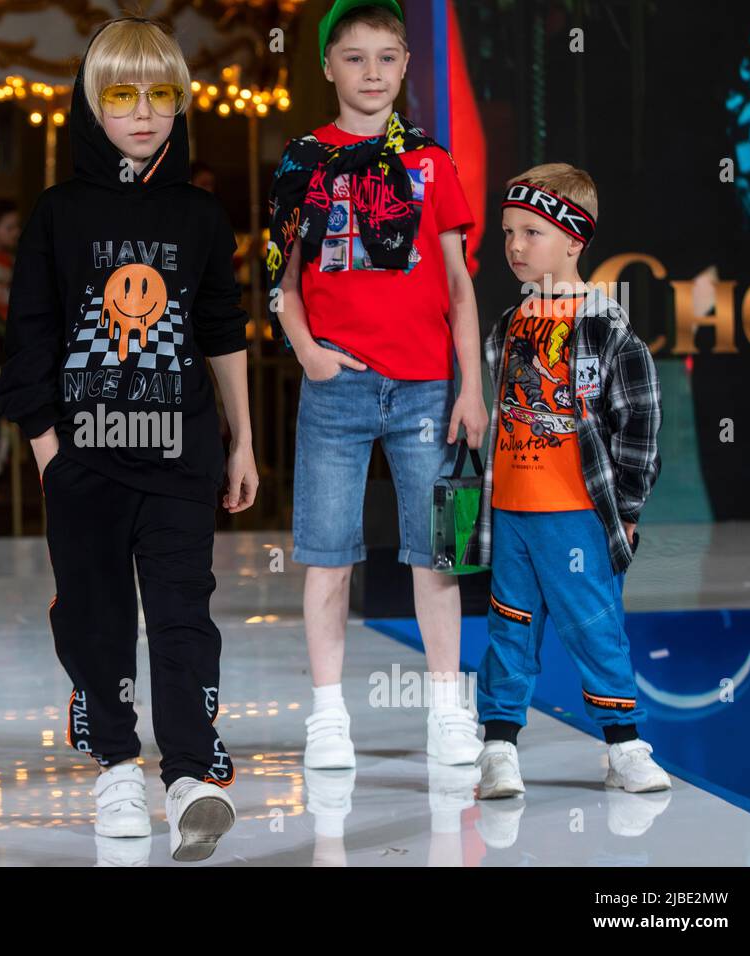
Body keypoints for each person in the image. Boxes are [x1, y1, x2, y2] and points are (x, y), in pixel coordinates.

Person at [0, 16, 257, 862]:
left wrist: (243, 441)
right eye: (121, 95)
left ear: (178, 105)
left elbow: (222, 329)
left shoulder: (200, 215)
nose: (142, 114)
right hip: (85, 463)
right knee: (98, 618)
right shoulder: (57, 214)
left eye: (159, 96)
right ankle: (115, 764)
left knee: (184, 618)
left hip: (182, 455)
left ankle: (187, 777)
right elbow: (29, 339)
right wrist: (50, 456)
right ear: (92, 104)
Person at [266, 0, 487, 770]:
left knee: (440, 555)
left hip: (427, 389)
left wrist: (472, 388)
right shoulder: (302, 161)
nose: (370, 73)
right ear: (328, 66)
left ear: (404, 67)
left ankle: (448, 708)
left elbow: (460, 286)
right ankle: (329, 715)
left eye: (386, 58)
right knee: (328, 556)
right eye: (353, 57)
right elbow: (282, 281)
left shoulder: (431, 161)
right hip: (336, 391)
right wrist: (310, 353)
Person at [466, 163, 671, 797]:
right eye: (507, 233)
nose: (515, 247)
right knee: (507, 627)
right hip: (511, 511)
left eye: (532, 232)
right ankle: (498, 746)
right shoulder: (507, 325)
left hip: (577, 512)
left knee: (595, 626)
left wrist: (628, 506)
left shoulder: (608, 327)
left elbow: (639, 420)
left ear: (575, 241)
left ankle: (625, 746)